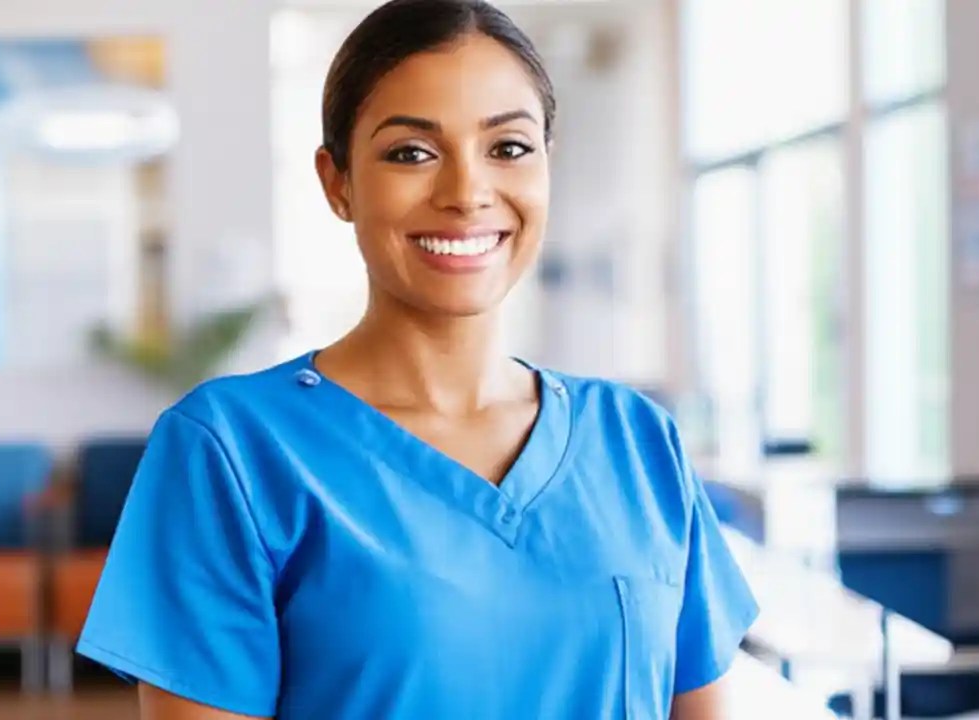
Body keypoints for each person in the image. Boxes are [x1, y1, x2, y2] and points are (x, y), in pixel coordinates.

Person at [76, 1, 758, 718]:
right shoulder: (232, 450)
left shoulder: (637, 440)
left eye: (509, 148)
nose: (466, 192)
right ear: (337, 181)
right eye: (411, 152)